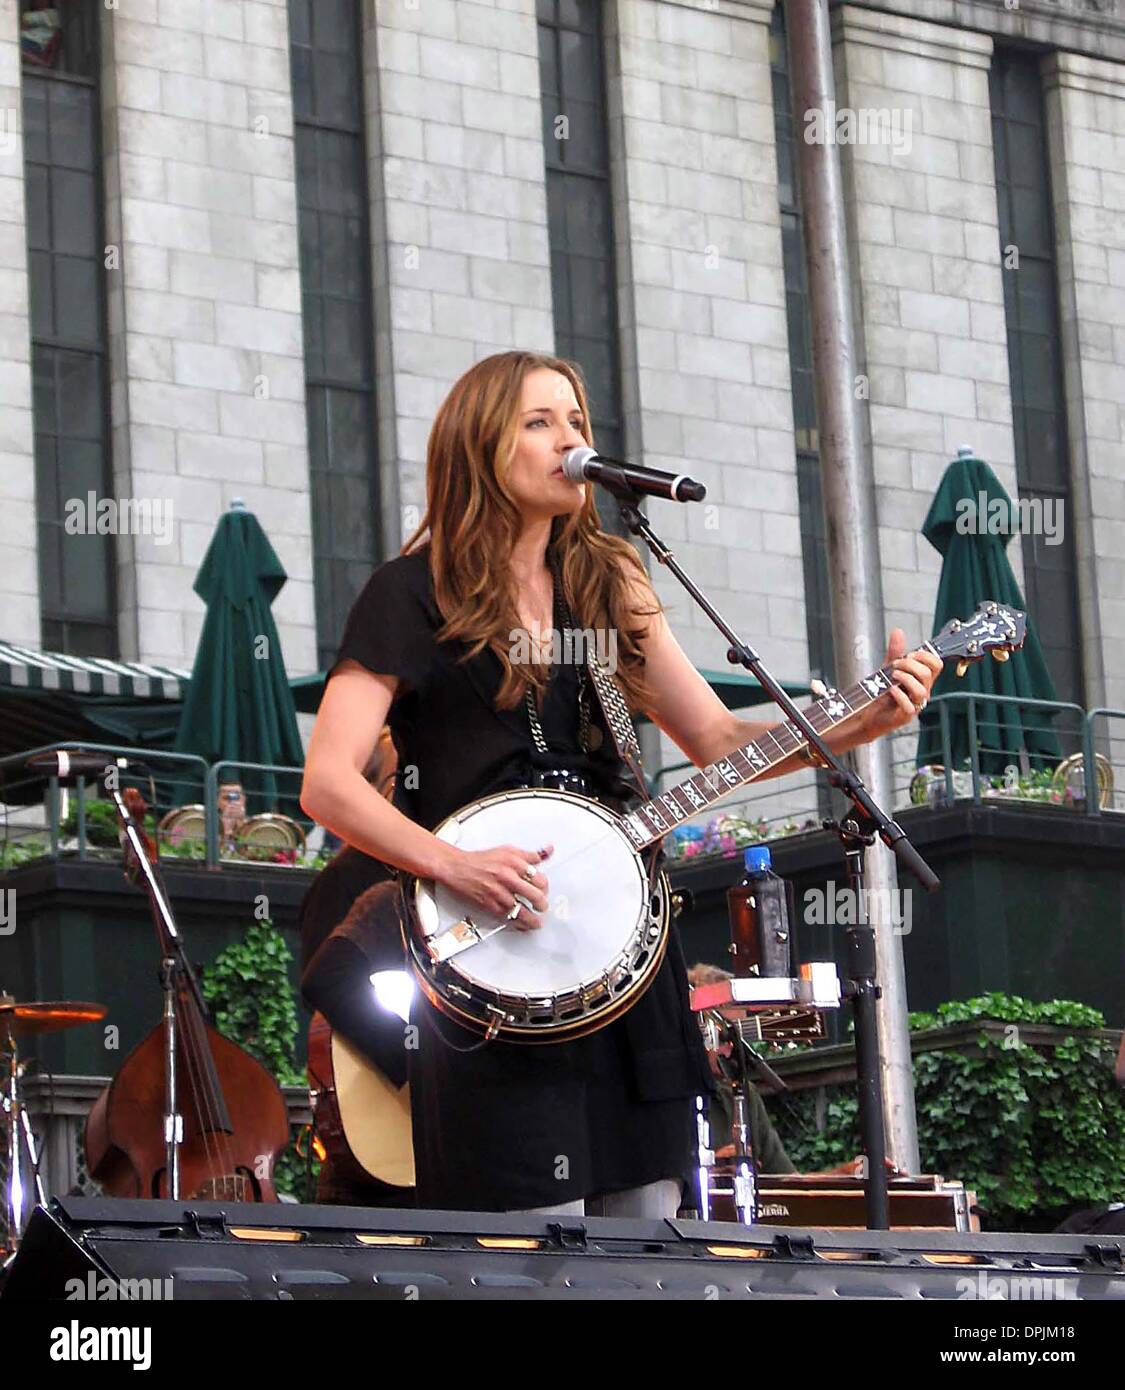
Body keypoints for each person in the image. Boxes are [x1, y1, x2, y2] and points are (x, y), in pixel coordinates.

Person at [299, 350, 942, 1218]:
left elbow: (716, 738)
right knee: (527, 1257)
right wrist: (452, 866)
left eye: (576, 422)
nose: (569, 439)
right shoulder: (410, 593)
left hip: (624, 967)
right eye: (539, 422)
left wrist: (860, 722)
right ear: (478, 447)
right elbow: (329, 784)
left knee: (645, 1249)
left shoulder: (607, 582)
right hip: (492, 972)